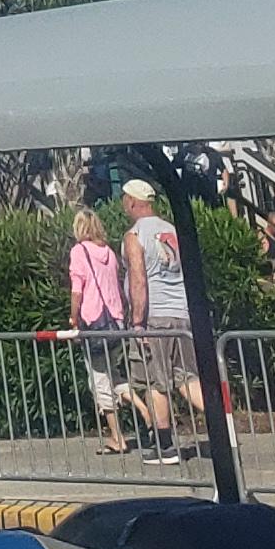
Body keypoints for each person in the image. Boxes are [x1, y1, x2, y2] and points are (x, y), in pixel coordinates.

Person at [118, 175, 200, 464]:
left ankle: (164, 445)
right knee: (186, 377)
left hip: (155, 316)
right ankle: (222, 426)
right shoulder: (173, 231)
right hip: (181, 314)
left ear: (131, 201)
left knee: (156, 381)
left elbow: (138, 279)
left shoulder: (135, 235)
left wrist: (137, 321)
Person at [68, 204, 134, 454]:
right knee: (115, 374)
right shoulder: (108, 251)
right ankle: (145, 411)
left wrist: (73, 319)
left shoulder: (79, 252)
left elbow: (77, 290)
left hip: (94, 322)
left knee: (99, 380)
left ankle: (117, 437)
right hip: (115, 321)